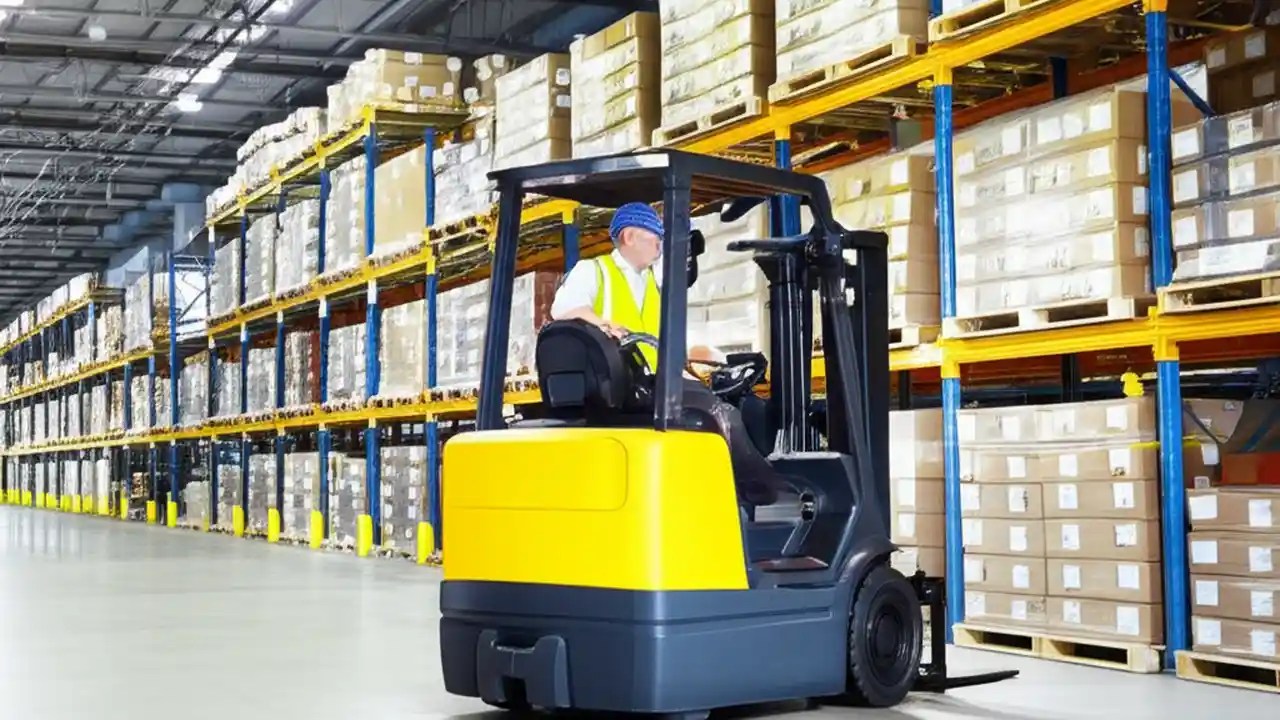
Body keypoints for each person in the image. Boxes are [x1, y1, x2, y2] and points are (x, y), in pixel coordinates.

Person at [549, 202, 721, 369]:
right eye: (654, 238)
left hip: (654, 386)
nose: (658, 247)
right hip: (613, 387)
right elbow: (565, 309)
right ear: (629, 237)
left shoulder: (654, 279)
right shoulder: (593, 270)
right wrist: (604, 325)